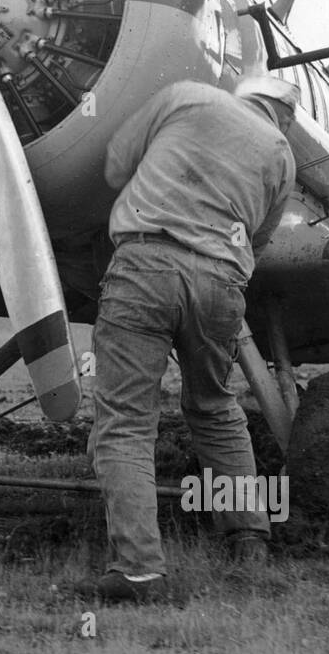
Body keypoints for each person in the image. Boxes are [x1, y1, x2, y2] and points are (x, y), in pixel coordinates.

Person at [81, 75, 298, 604]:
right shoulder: (282, 155)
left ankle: (139, 571)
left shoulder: (187, 95)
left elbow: (115, 165)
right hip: (223, 284)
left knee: (127, 421)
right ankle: (249, 538)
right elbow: (260, 239)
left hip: (145, 265)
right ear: (284, 116)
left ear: (244, 93)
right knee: (215, 407)